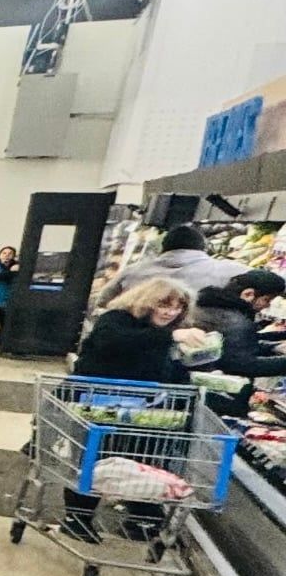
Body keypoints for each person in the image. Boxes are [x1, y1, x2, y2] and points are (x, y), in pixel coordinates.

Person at [59, 277, 204, 542]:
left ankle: (142, 517)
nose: (170, 312)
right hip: (97, 406)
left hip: (139, 412)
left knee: (136, 461)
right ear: (146, 300)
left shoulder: (160, 334)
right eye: (164, 304)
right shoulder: (116, 320)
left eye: (177, 307)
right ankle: (77, 518)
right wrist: (170, 336)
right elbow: (114, 343)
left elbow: (162, 369)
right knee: (95, 460)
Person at [190, 269, 286, 414]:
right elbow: (241, 364)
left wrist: (274, 347)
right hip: (220, 395)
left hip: (200, 390)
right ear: (248, 294)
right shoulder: (236, 321)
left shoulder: (208, 306)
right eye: (267, 300)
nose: (267, 306)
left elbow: (228, 347)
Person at [93, 225, 244, 305]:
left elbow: (104, 301)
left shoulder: (133, 271)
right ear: (203, 248)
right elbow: (264, 280)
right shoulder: (231, 270)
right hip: (202, 346)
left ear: (163, 247)